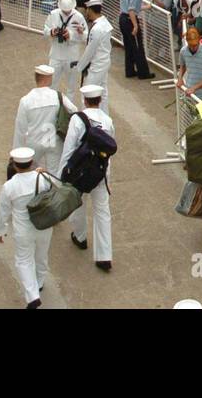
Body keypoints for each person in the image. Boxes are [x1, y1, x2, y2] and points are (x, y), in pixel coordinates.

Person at [60, 85, 115, 272]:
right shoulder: (107, 121)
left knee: (78, 204)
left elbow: (69, 148)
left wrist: (63, 174)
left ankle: (80, 237)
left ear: (84, 100)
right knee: (102, 213)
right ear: (100, 100)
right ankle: (104, 256)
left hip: (80, 172)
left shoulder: (77, 120)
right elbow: (109, 150)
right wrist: (107, 176)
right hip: (99, 173)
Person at [0, 147, 53, 309]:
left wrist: (1, 231)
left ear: (14, 166)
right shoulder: (43, 177)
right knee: (41, 255)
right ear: (32, 163)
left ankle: (32, 295)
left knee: (23, 261)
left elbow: (3, 211)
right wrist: (45, 173)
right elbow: (58, 187)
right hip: (44, 225)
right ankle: (40, 282)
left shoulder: (9, 186)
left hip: (23, 230)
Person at [13, 66, 78, 175]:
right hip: (54, 141)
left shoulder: (26, 100)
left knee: (30, 173)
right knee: (55, 174)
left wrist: (16, 152)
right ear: (47, 79)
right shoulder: (57, 96)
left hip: (34, 142)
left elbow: (20, 128)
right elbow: (74, 110)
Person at [44, 0, 88, 100]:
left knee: (71, 86)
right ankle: (52, 104)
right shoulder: (53, 14)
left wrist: (71, 35)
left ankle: (69, 110)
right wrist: (51, 32)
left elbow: (86, 36)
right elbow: (45, 29)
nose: (66, 13)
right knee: (52, 83)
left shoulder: (79, 17)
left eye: (68, 12)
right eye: (64, 11)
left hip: (71, 56)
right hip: (56, 54)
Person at [76, 0, 114, 111]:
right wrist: (83, 34)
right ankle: (104, 118)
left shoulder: (96, 28)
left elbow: (90, 50)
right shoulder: (104, 23)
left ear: (90, 10)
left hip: (96, 65)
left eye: (87, 9)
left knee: (87, 93)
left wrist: (80, 66)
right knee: (103, 93)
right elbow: (97, 40)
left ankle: (87, 120)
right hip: (104, 62)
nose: (86, 12)